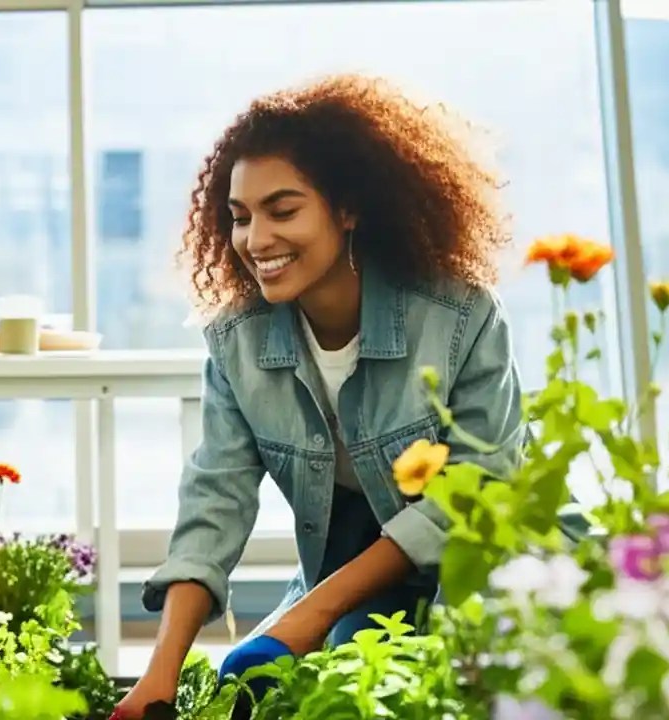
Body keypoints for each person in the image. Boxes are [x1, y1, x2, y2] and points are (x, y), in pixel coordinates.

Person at [113, 75, 524, 718]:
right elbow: (214, 503)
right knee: (261, 687)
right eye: (240, 217)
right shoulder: (237, 340)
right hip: (361, 569)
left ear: (348, 208)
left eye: (283, 211)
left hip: (491, 561)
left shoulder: (458, 313)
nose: (256, 240)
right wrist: (158, 676)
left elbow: (477, 490)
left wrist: (311, 615)